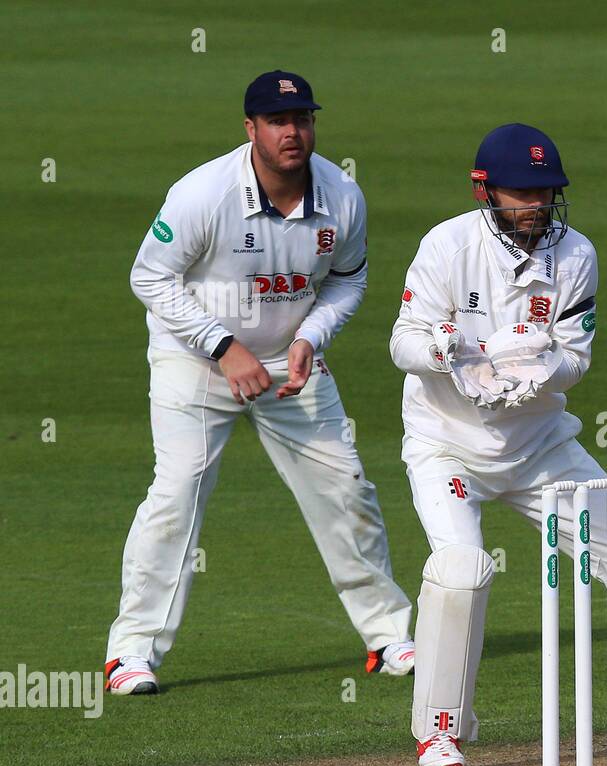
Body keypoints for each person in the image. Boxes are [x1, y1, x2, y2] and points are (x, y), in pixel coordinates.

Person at [391, 123, 607, 766]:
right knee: (462, 569)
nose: (536, 205)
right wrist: (444, 349)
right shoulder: (446, 247)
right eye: (522, 192)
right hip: (446, 447)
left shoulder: (576, 255)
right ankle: (440, 731)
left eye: (547, 192)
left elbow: (575, 357)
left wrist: (535, 370)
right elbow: (402, 341)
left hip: (541, 448)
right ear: (485, 189)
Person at [104, 70, 413, 696]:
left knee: (347, 489)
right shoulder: (204, 194)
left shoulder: (342, 194)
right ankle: (132, 653)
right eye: (277, 122)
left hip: (289, 367)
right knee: (178, 491)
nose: (292, 133)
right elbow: (150, 277)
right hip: (196, 361)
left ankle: (388, 635)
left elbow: (348, 280)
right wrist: (223, 347)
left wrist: (310, 338)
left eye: (301, 120)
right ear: (251, 130)